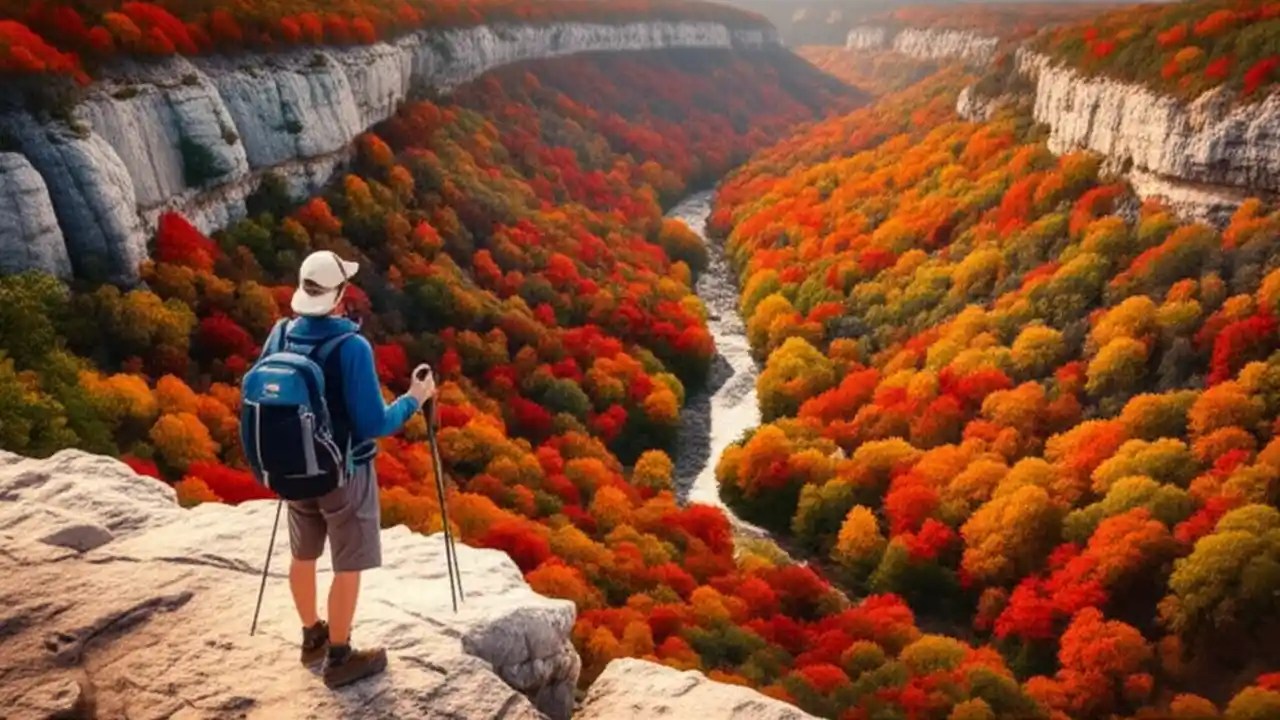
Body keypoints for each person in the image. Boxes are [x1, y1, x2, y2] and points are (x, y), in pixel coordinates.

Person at [272, 250, 435, 689]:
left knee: (302, 553)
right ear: (340, 295)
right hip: (345, 471)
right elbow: (372, 423)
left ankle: (312, 635)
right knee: (349, 563)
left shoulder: (281, 333)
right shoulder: (350, 346)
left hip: (292, 467)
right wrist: (414, 399)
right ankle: (340, 657)